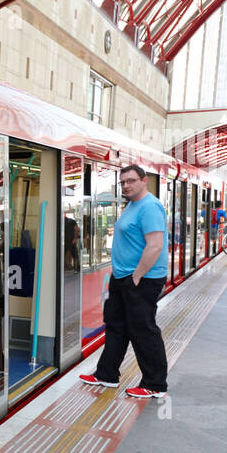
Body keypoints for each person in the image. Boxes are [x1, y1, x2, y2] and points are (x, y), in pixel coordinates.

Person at [80, 164, 169, 399]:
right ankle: (106, 374)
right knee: (116, 326)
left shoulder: (150, 206)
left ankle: (155, 384)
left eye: (131, 181)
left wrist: (136, 276)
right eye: (123, 182)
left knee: (143, 330)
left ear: (144, 180)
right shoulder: (132, 205)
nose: (126, 186)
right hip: (124, 277)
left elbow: (155, 245)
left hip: (142, 279)